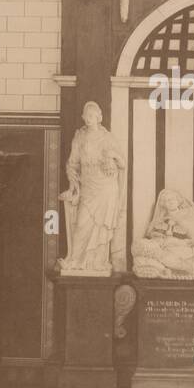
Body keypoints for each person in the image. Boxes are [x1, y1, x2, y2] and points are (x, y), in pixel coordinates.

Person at [58, 101, 125, 274]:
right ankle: (75, 260)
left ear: (99, 118)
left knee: (101, 225)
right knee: (82, 224)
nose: (88, 119)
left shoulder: (107, 138)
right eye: (86, 116)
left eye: (92, 116)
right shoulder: (79, 137)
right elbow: (72, 164)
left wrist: (113, 157)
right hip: (87, 186)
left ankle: (97, 262)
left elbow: (122, 163)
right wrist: (73, 186)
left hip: (106, 186)